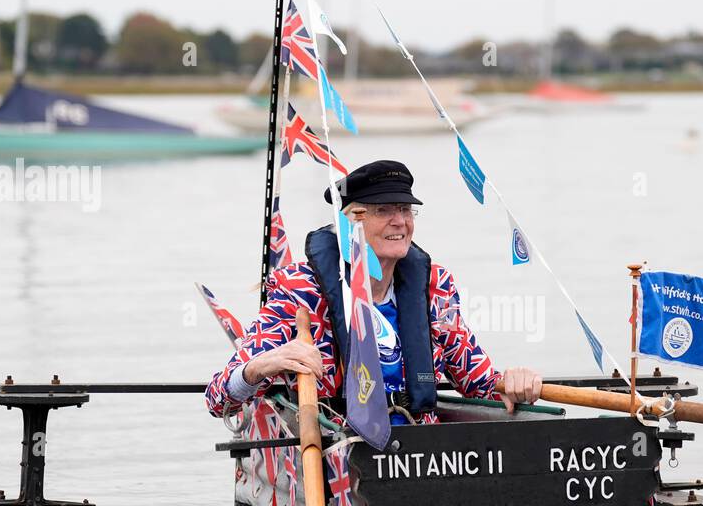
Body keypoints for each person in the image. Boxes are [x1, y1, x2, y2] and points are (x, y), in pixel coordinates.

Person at [205, 159, 543, 424]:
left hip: (420, 449)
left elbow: (477, 380)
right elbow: (218, 400)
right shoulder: (300, 290)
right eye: (384, 210)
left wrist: (515, 380)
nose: (400, 221)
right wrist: (261, 366)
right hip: (341, 444)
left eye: (406, 210)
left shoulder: (435, 285)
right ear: (351, 222)